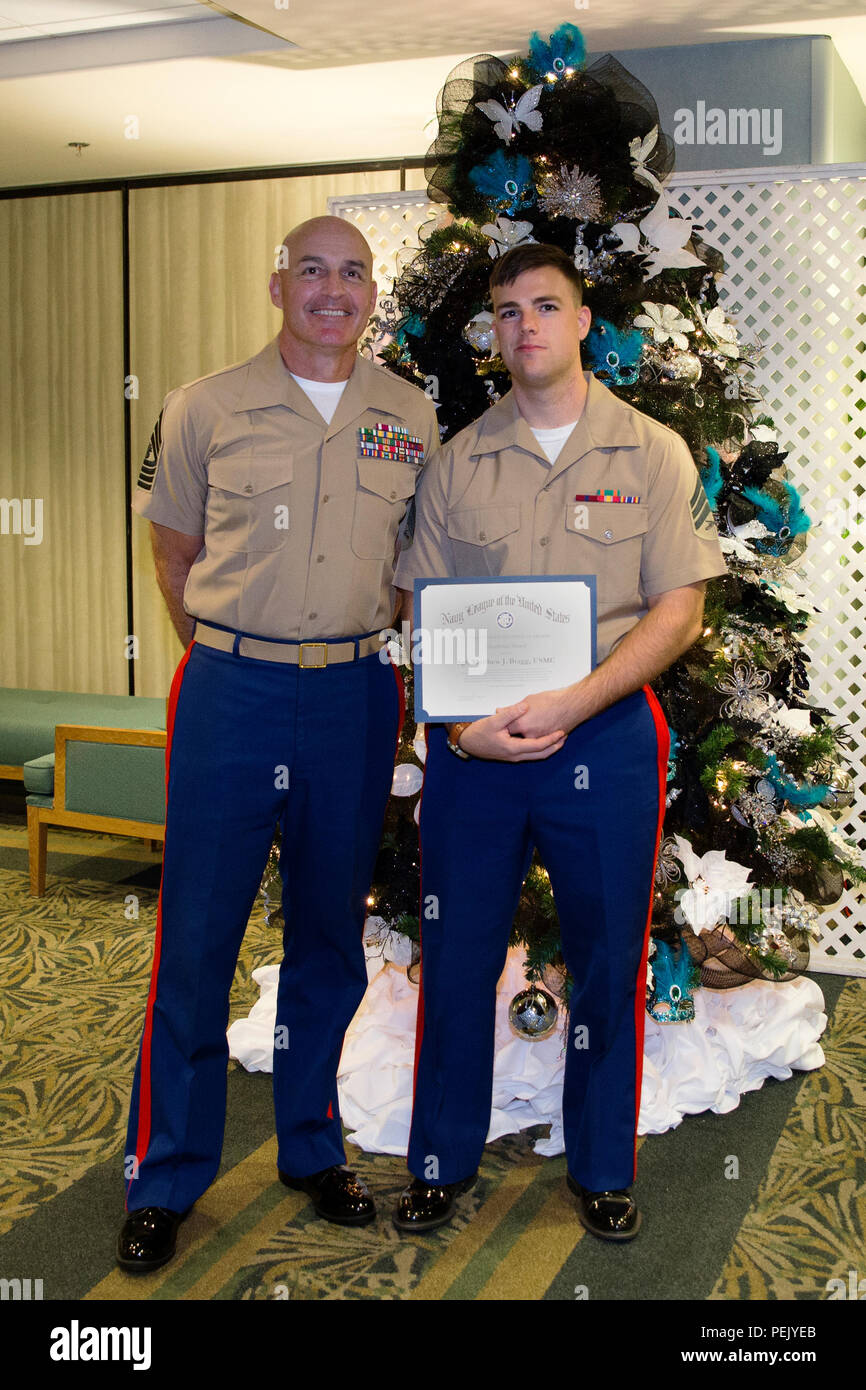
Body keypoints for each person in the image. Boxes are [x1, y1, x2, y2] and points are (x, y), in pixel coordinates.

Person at [116, 215, 438, 1272]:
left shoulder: (408, 411)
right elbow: (173, 552)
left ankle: (310, 1146)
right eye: (312, 270)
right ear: (277, 286)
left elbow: (407, 561)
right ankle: (166, 1172)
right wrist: (233, 649)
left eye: (351, 273)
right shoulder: (203, 405)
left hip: (351, 696)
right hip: (231, 691)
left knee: (326, 939)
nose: (331, 290)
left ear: (368, 294)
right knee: (197, 939)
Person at [391, 242, 728, 1241]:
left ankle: (599, 1165)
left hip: (606, 734)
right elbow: (420, 615)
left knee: (605, 954)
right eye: (505, 311)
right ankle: (441, 1159)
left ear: (583, 322)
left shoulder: (652, 452)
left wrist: (578, 699)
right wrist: (457, 729)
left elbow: (678, 610)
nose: (524, 324)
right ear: (492, 333)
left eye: (545, 305)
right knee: (453, 957)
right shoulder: (456, 466)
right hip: (477, 753)